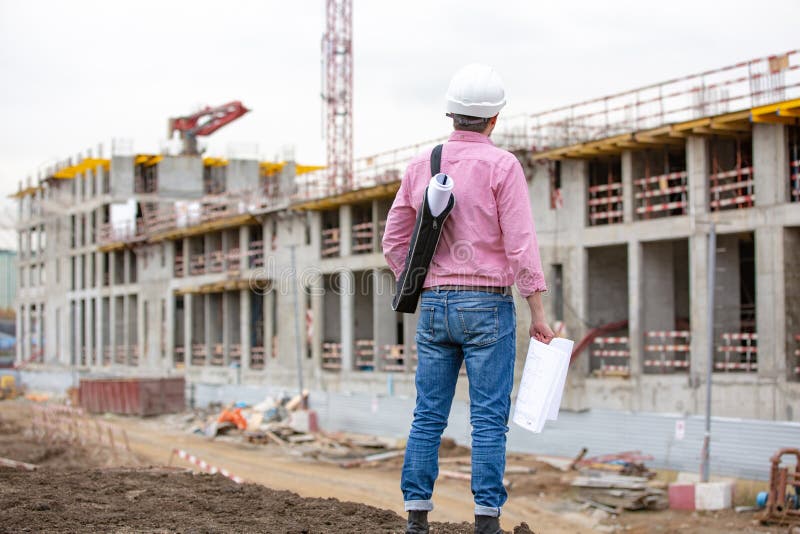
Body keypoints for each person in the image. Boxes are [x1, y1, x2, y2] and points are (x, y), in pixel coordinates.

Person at [382, 63, 555, 534]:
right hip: (488, 306)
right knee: (488, 419)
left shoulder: (421, 165)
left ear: (451, 115)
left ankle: (417, 516)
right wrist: (537, 311)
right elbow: (520, 243)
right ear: (494, 119)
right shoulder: (503, 166)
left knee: (427, 415)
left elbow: (393, 241)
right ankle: (486, 520)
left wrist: (417, 280)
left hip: (434, 305)